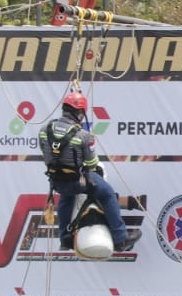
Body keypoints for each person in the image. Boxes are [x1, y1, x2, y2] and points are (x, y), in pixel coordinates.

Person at [38, 89, 140, 253]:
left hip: (56, 182)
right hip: (77, 182)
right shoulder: (84, 136)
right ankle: (121, 238)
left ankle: (65, 238)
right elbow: (92, 163)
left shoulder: (44, 130)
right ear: (79, 114)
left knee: (66, 198)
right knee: (107, 193)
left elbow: (45, 153)